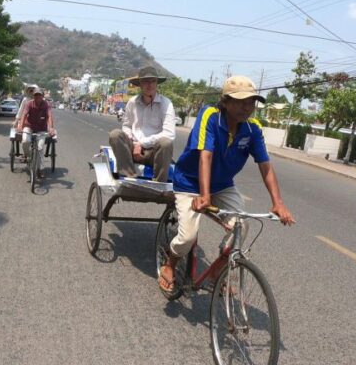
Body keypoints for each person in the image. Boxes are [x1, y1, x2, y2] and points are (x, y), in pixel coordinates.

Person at [158, 75, 295, 294]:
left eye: (251, 102)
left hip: (222, 185)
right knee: (187, 236)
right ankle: (170, 263)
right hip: (190, 183)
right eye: (241, 101)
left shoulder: (253, 129)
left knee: (241, 226)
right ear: (225, 102)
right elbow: (206, 155)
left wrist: (278, 203)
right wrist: (203, 195)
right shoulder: (210, 115)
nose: (247, 107)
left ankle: (216, 273)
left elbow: (265, 165)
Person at [109, 65, 176, 182]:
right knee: (115, 134)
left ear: (157, 84)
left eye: (153, 81)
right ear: (140, 84)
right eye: (145, 81)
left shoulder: (166, 104)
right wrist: (133, 142)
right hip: (132, 149)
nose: (149, 85)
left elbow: (169, 134)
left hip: (154, 153)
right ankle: (128, 178)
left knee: (166, 143)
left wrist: (142, 143)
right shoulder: (132, 102)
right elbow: (127, 125)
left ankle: (159, 185)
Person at [15, 86, 56, 177]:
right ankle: (27, 155)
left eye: (39, 95)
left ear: (42, 96)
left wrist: (51, 128)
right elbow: (24, 115)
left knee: (40, 147)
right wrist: (20, 127)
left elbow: (49, 116)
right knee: (25, 140)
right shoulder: (29, 103)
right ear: (33, 96)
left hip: (41, 128)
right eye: (36, 95)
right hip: (29, 126)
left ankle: (41, 169)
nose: (37, 97)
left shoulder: (46, 105)